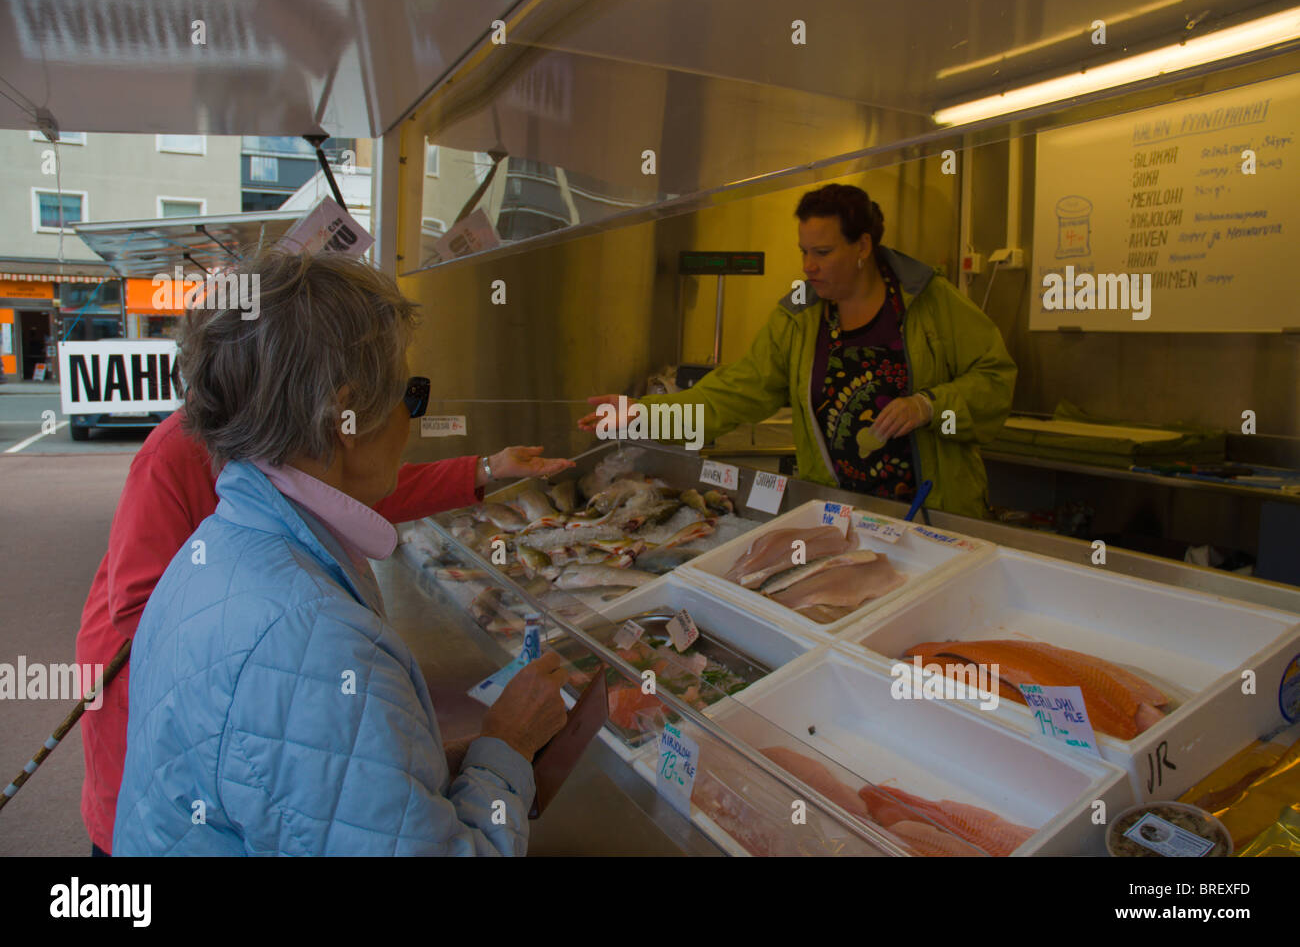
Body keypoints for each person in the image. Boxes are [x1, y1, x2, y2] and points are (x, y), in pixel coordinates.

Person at [110, 249, 569, 855]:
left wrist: (434, 764)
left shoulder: (220, 547)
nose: (411, 420)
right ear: (346, 418)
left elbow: (305, 789)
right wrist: (506, 748)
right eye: (411, 394)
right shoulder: (312, 638)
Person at [580, 184, 1016, 519]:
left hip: (931, 516)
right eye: (804, 251)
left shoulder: (931, 301)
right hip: (840, 516)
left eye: (823, 252)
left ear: (863, 246)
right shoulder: (799, 318)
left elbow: (996, 381)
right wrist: (646, 415)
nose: (808, 266)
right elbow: (731, 393)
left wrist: (928, 406)